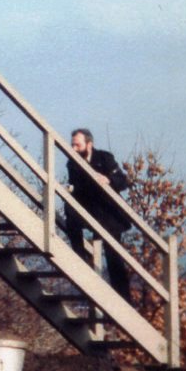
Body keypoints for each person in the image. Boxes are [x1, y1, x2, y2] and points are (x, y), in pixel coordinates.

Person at [64, 128, 133, 301]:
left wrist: (108, 180)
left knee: (113, 256)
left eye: (77, 145)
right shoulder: (72, 163)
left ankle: (124, 299)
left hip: (109, 213)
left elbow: (123, 181)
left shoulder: (105, 158)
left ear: (89, 144)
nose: (74, 149)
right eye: (72, 145)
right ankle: (80, 257)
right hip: (90, 210)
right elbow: (78, 187)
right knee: (70, 213)